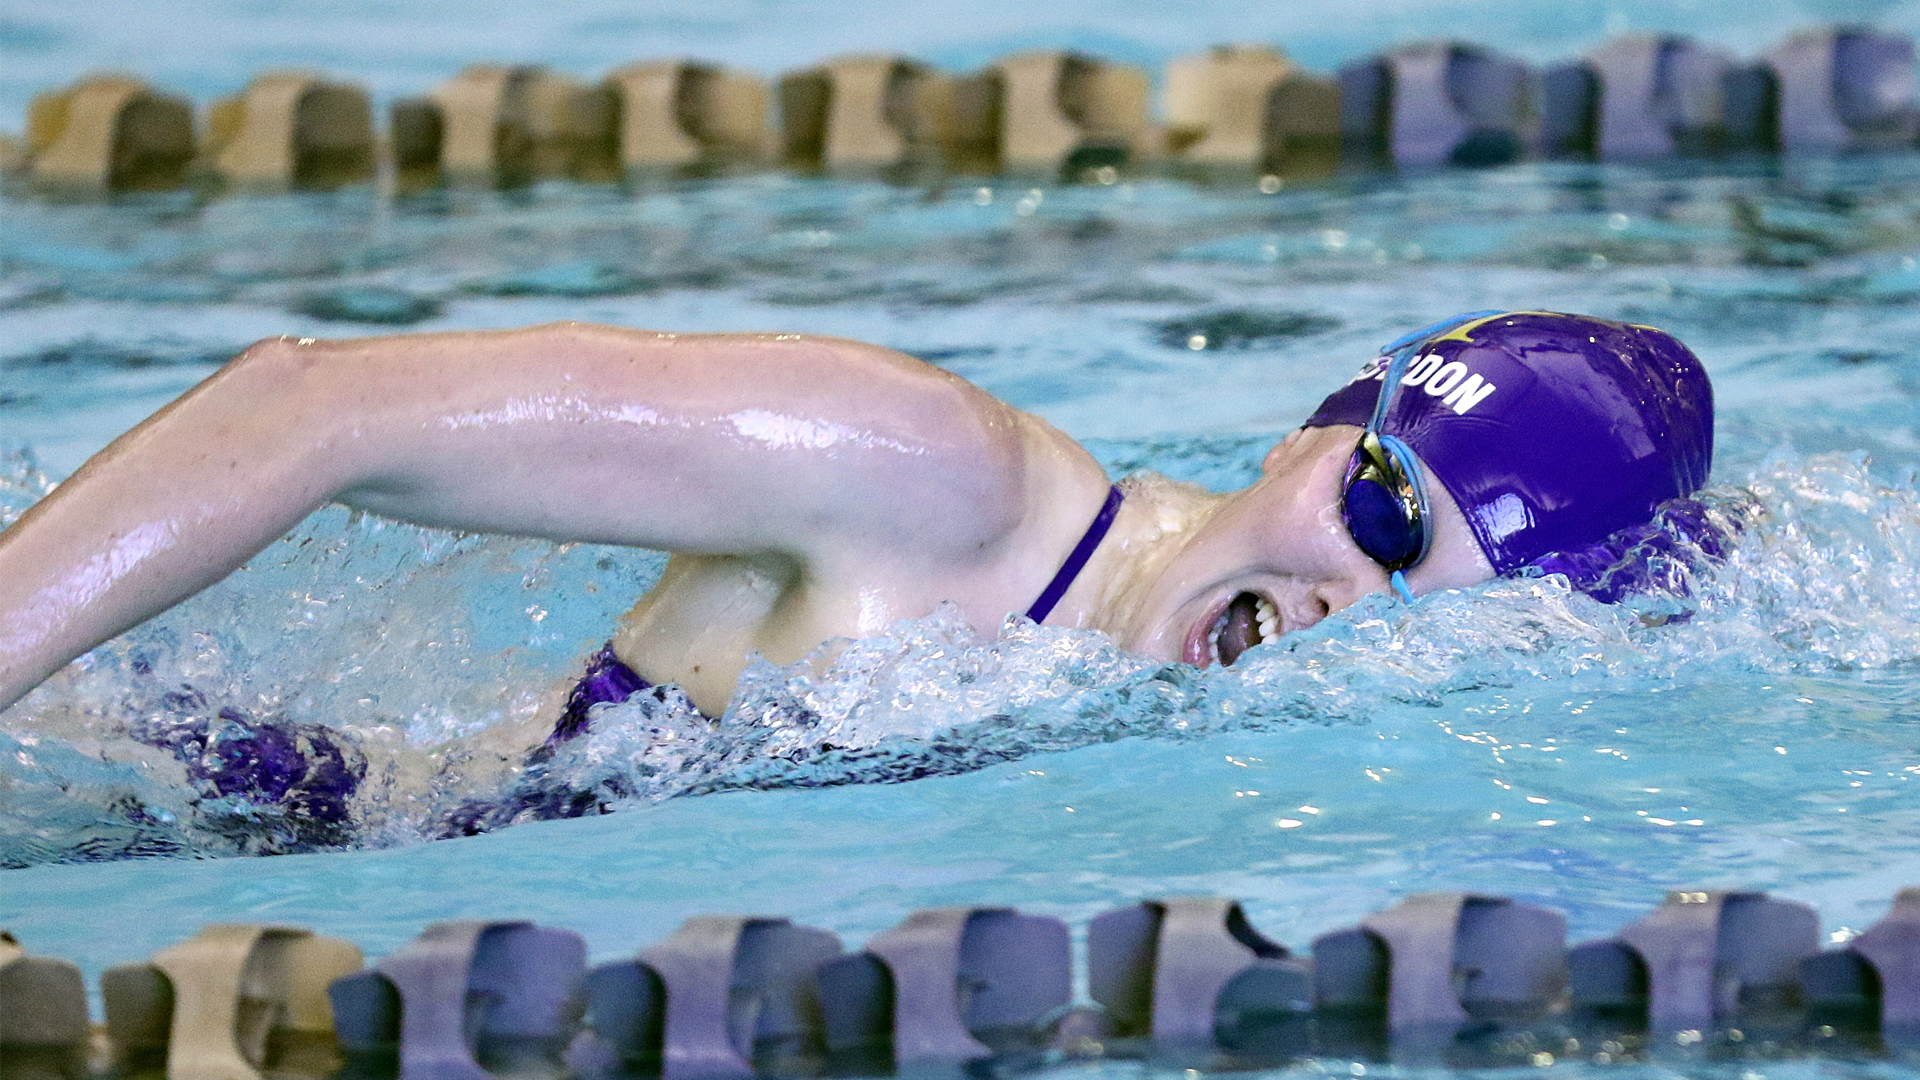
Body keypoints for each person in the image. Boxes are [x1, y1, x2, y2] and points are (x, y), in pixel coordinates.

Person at [0, 310, 1713, 741]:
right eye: (1387, 516)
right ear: (1313, 434)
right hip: (247, 827)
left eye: (1443, 612)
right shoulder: (929, 476)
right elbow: (309, 406)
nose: (1356, 605)